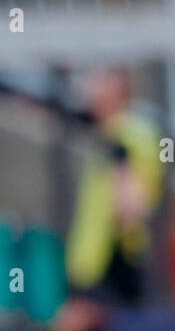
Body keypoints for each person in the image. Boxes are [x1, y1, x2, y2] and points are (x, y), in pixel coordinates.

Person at [66, 69, 164, 305]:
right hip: (97, 261)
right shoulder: (111, 134)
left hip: (110, 262)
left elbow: (134, 203)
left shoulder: (127, 134)